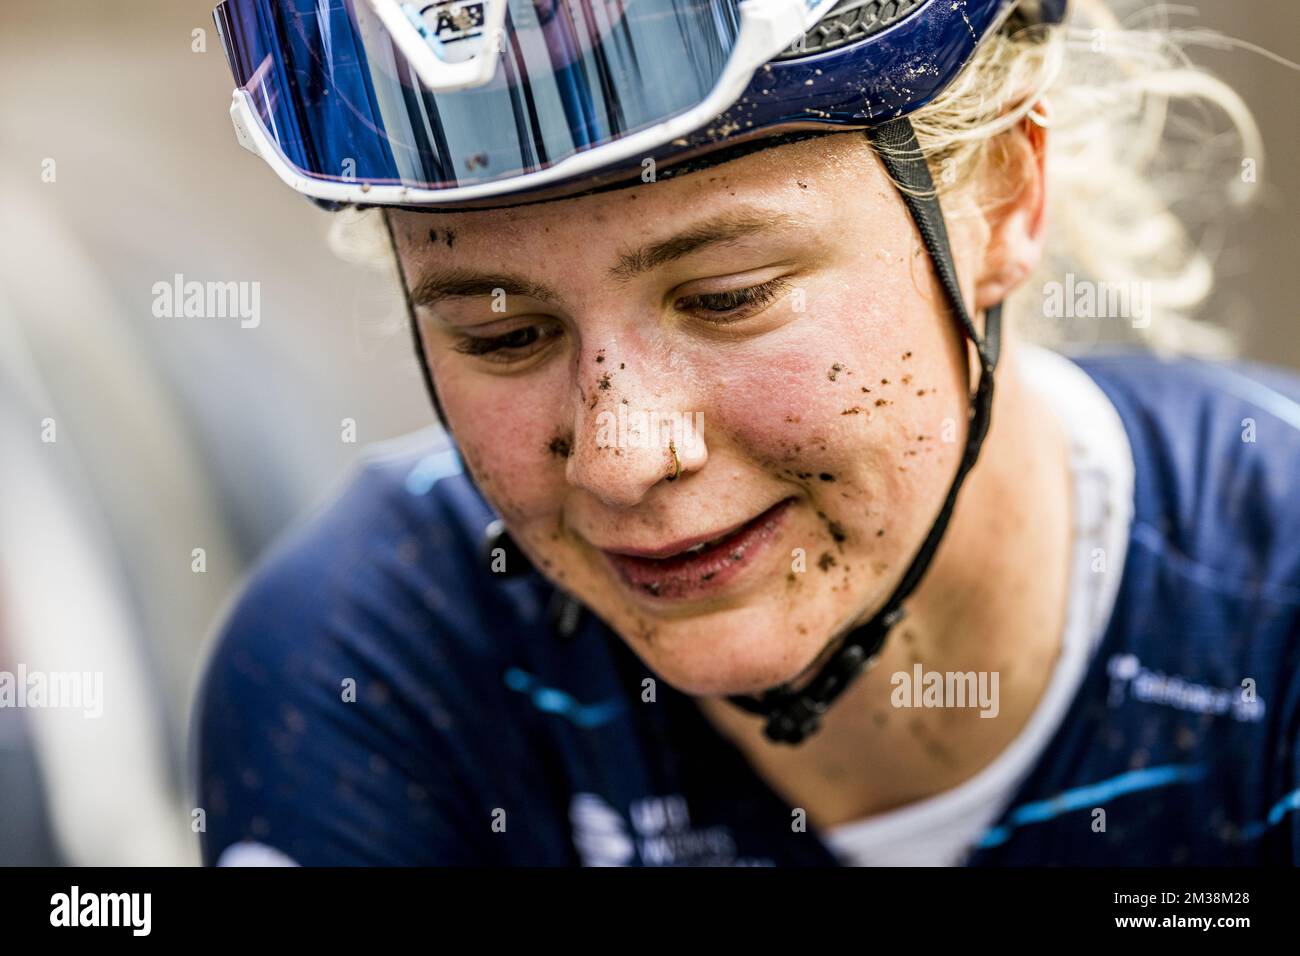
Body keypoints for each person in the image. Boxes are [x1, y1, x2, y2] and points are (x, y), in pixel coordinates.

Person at [194, 0, 1300, 865]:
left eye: (727, 295)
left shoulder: (1274, 623)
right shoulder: (378, 666)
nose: (624, 456)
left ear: (1005, 194)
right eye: (504, 334)